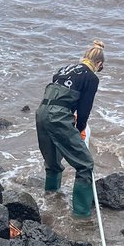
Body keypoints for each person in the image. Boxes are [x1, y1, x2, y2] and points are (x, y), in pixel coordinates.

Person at [35, 39, 104, 216]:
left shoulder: (63, 69)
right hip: (58, 117)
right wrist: (80, 128)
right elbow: (84, 109)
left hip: (41, 112)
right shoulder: (91, 77)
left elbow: (59, 97)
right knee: (85, 165)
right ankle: (81, 215)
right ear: (99, 64)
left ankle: (50, 200)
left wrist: (66, 114)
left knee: (52, 163)